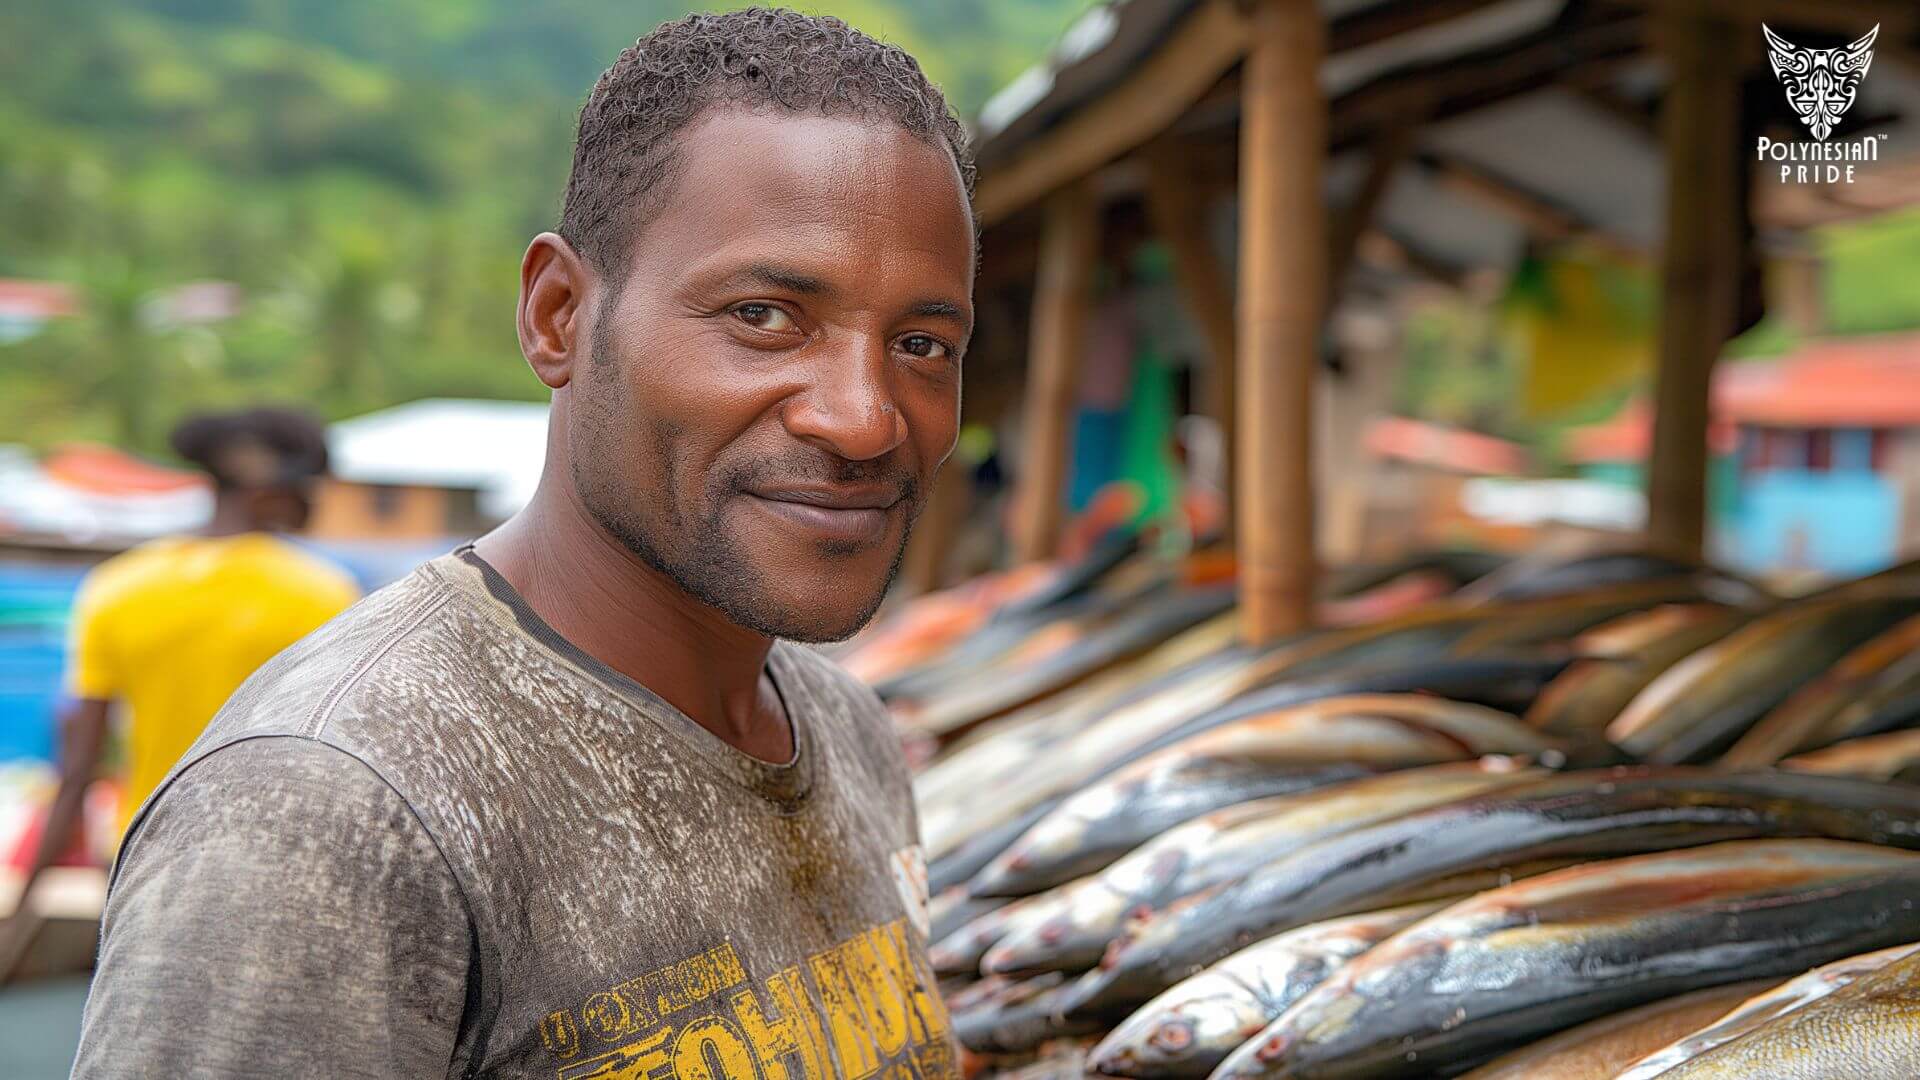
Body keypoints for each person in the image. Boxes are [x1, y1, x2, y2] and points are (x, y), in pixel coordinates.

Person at [74, 9, 975, 1078]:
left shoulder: (845, 729)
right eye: (764, 316)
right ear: (558, 316)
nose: (866, 418)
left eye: (922, 344)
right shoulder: (327, 811)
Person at [3, 407, 356, 970]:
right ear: (270, 486)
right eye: (313, 485)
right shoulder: (320, 593)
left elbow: (77, 771)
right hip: (272, 871)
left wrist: (21, 915)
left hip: (140, 867)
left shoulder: (116, 586)